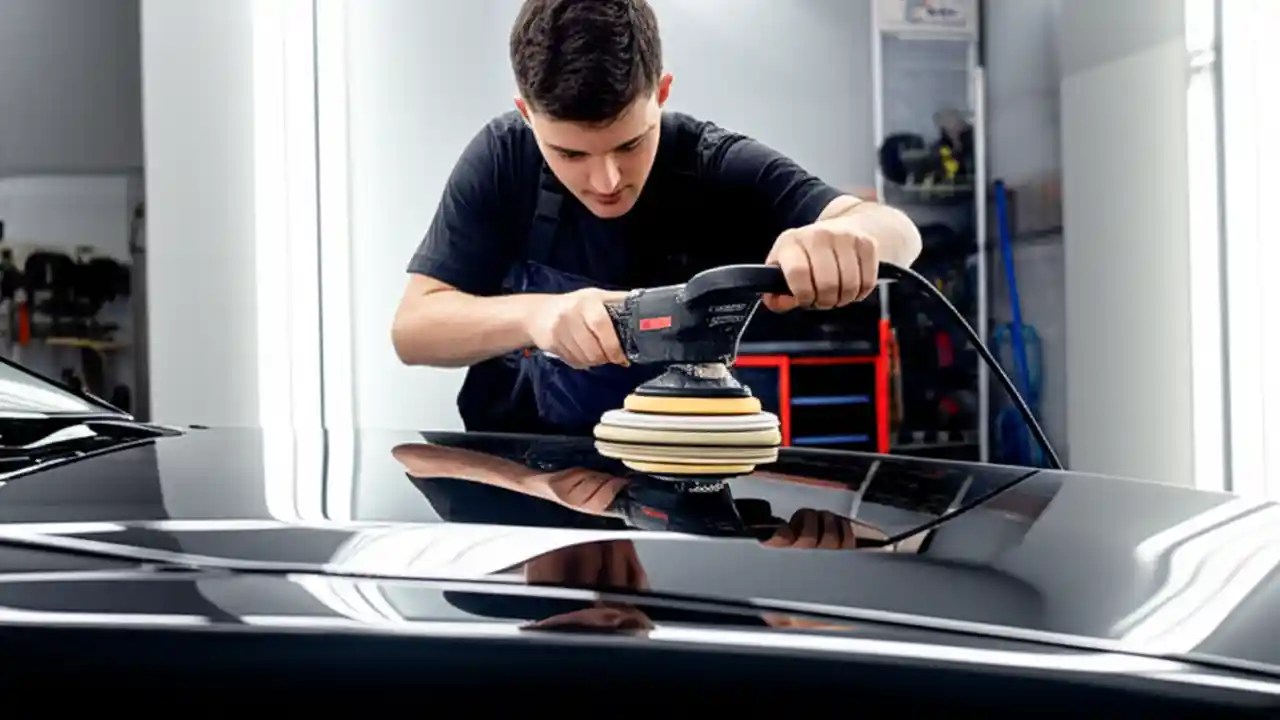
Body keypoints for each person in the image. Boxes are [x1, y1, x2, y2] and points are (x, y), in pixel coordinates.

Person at [392, 0, 923, 436]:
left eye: (629, 144)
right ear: (528, 114)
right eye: (571, 155)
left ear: (662, 94)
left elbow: (899, 232)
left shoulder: (714, 164)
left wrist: (847, 236)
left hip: (678, 486)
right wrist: (537, 318)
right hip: (522, 485)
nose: (607, 181)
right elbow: (413, 331)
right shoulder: (504, 158)